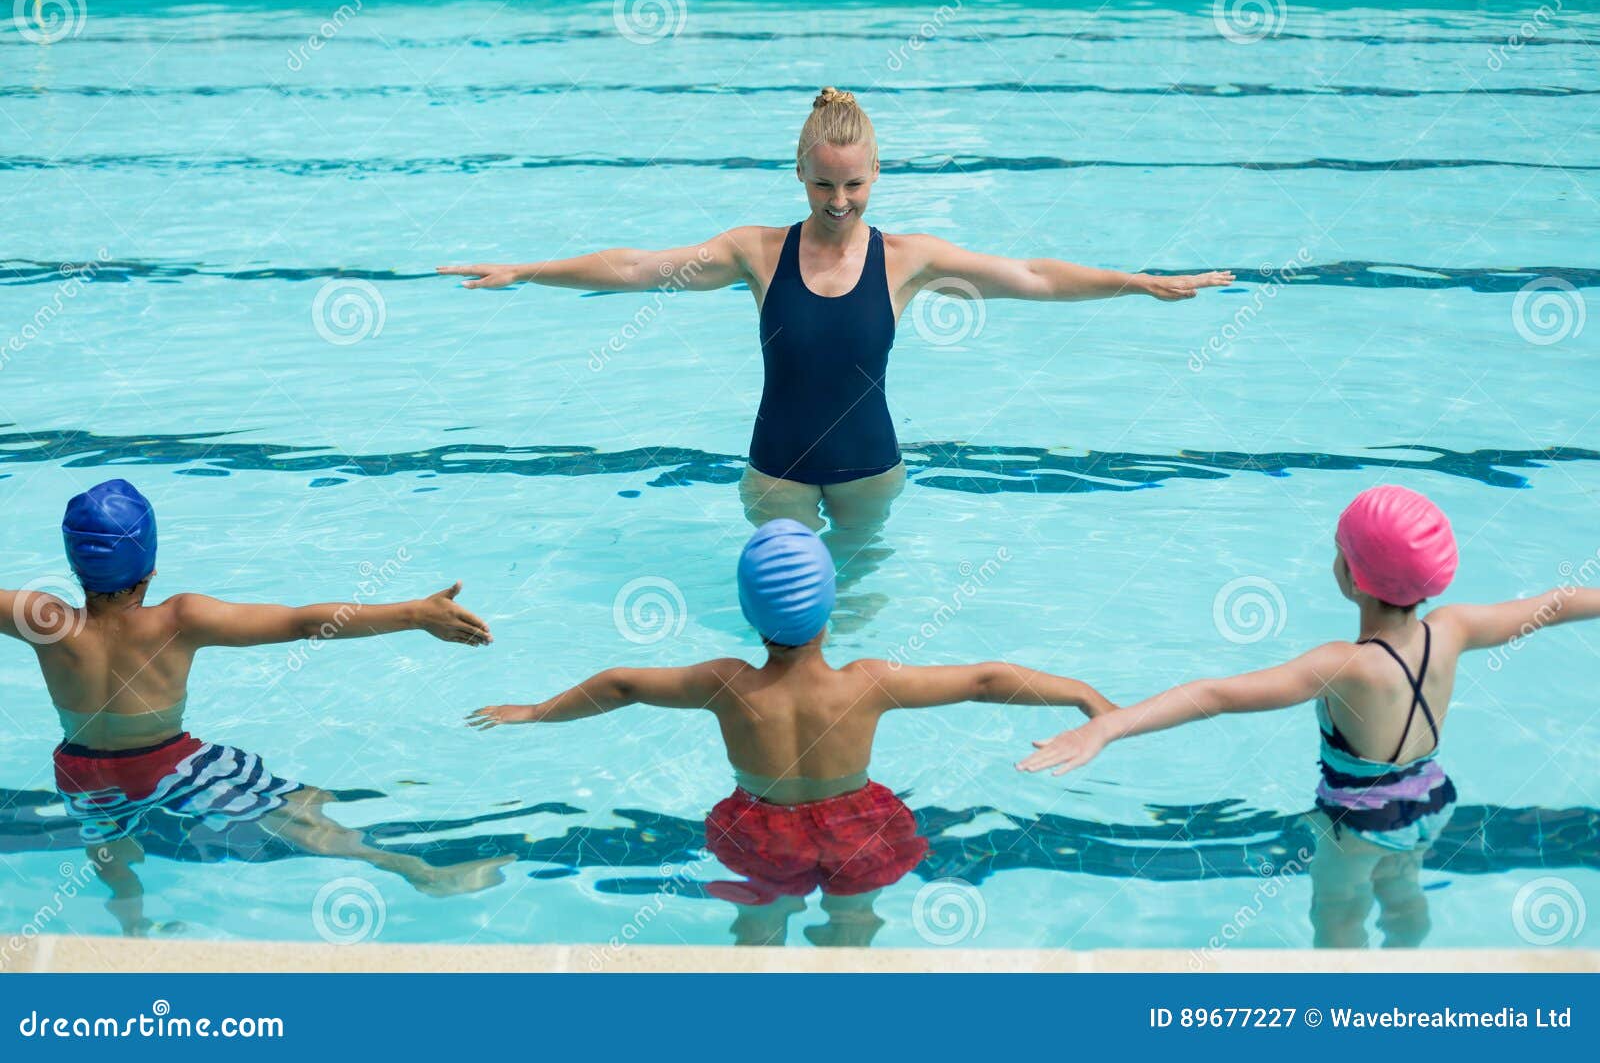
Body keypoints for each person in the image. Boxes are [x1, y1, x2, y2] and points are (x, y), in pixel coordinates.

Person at [438, 87, 1232, 608]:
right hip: (775, 475)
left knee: (855, 626)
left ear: (877, 173)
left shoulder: (907, 257)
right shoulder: (756, 250)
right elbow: (642, 267)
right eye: (824, 185)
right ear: (799, 174)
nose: (841, 201)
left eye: (855, 185)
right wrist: (530, 270)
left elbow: (1029, 274)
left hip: (870, 474)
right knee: (780, 627)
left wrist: (1135, 280)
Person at [469, 517, 1115, 946]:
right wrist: (1083, 693)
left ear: (750, 616)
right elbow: (984, 679)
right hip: (857, 827)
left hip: (760, 830)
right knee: (854, 922)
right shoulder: (865, 683)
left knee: (757, 925)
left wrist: (533, 711)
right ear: (830, 609)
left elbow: (621, 684)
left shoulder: (726, 684)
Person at [1019, 484, 1600, 947]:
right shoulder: (1454, 629)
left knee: (1337, 914)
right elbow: (1554, 605)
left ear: (1351, 577)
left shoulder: (1343, 666)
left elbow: (1218, 694)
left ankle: (1345, 1016)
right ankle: (1407, 963)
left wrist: (1108, 725)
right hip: (1430, 801)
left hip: (1358, 824)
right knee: (1403, 895)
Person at [0, 479, 510, 929]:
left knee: (109, 852)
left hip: (80, 770)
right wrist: (414, 613)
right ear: (150, 567)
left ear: (74, 563)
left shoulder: (44, 618)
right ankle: (412, 871)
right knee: (298, 813)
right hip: (167, 764)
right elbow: (303, 622)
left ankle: (133, 930)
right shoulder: (179, 619)